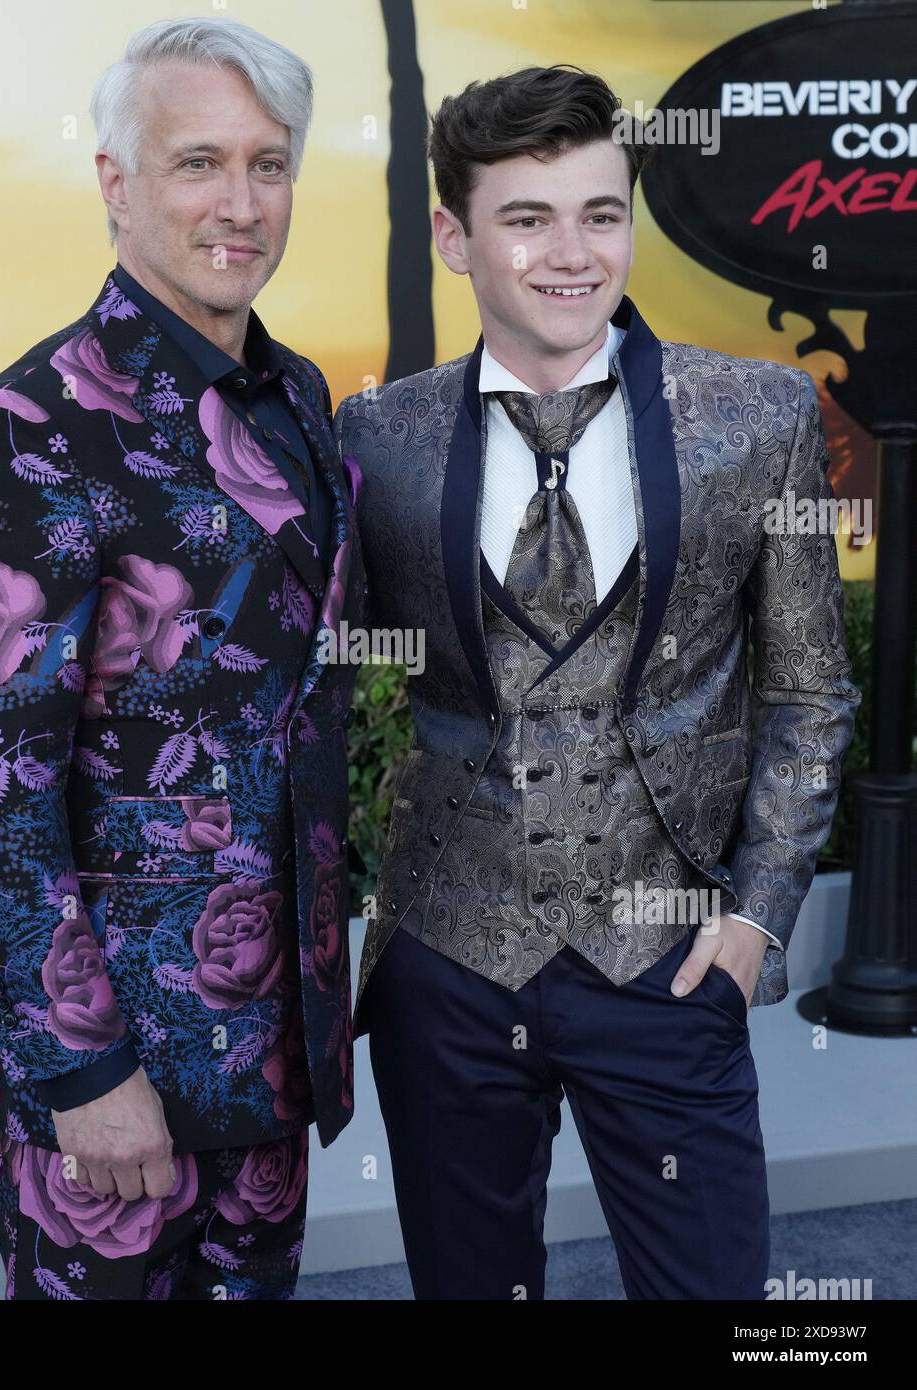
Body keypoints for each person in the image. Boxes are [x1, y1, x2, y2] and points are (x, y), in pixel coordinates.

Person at [334, 64, 860, 1300]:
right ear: (455, 238)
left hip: (669, 958)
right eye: (527, 219)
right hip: (449, 961)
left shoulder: (757, 415)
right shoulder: (376, 437)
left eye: (599, 213)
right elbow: (308, 685)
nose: (572, 254)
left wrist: (759, 916)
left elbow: (806, 689)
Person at [0, 15, 365, 1301]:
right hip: (112, 1071)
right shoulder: (26, 430)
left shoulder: (297, 398)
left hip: (272, 1044)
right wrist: (81, 1069)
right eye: (197, 164)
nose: (242, 204)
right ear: (115, 184)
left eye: (269, 165)